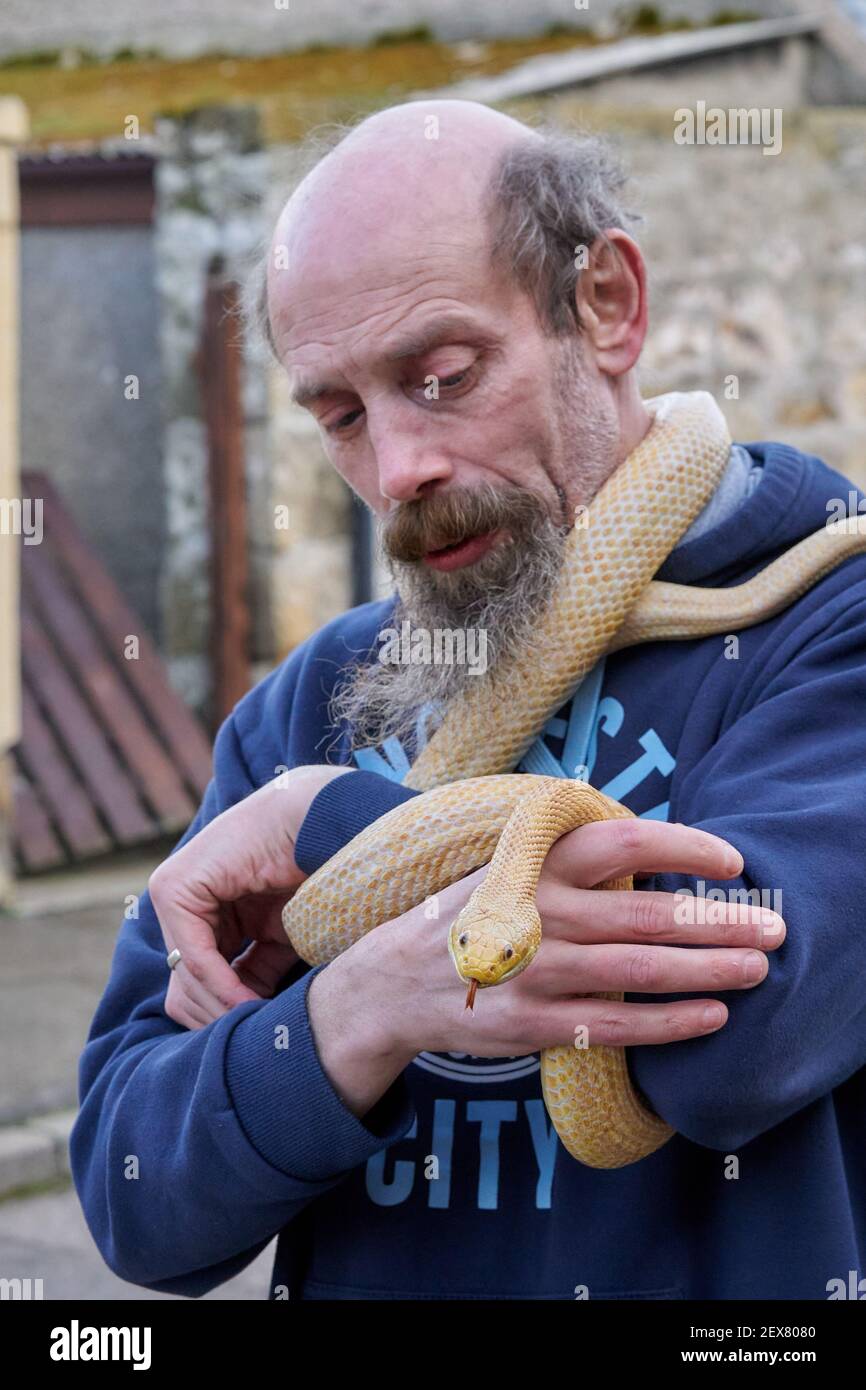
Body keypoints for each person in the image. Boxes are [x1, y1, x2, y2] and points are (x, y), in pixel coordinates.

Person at [72, 100, 866, 1301]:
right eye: (338, 414)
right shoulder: (316, 704)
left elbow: (736, 1030)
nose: (396, 471)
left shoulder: (824, 614)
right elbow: (136, 1199)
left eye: (439, 378)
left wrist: (331, 838)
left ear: (603, 303)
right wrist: (357, 1006)